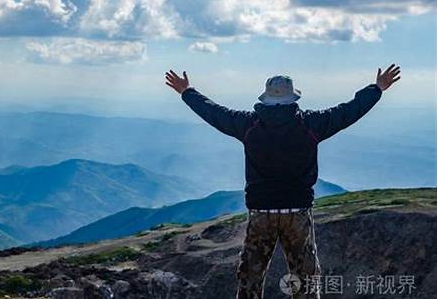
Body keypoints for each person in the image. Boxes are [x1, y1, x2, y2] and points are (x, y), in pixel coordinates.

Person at [165, 65, 401, 299]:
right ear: (293, 98)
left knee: (251, 277)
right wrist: (377, 88)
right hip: (297, 212)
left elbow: (215, 113)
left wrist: (187, 92)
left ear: (266, 98)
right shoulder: (311, 124)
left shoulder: (247, 125)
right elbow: (348, 112)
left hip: (261, 213)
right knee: (305, 278)